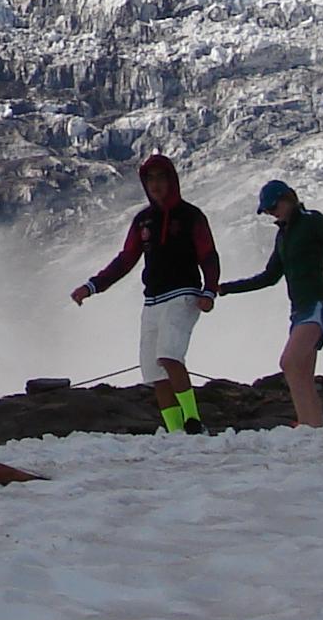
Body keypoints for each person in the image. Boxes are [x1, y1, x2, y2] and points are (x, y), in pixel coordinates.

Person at [70, 153, 219, 433]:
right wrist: (92, 286)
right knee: (154, 372)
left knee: (169, 356)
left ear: (171, 180)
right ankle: (176, 430)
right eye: (150, 179)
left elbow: (208, 254)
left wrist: (209, 290)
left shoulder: (191, 216)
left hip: (183, 294)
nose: (156, 184)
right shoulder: (143, 221)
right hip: (152, 301)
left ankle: (193, 420)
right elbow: (126, 259)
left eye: (161, 178)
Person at [216, 180, 323, 428]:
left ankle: (306, 425)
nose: (274, 212)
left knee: (290, 362)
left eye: (275, 206)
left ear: (289, 198)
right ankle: (314, 426)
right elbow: (269, 277)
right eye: (269, 211)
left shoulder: (312, 220)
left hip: (318, 305)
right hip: (299, 311)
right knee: (301, 371)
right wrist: (226, 288)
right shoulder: (282, 236)